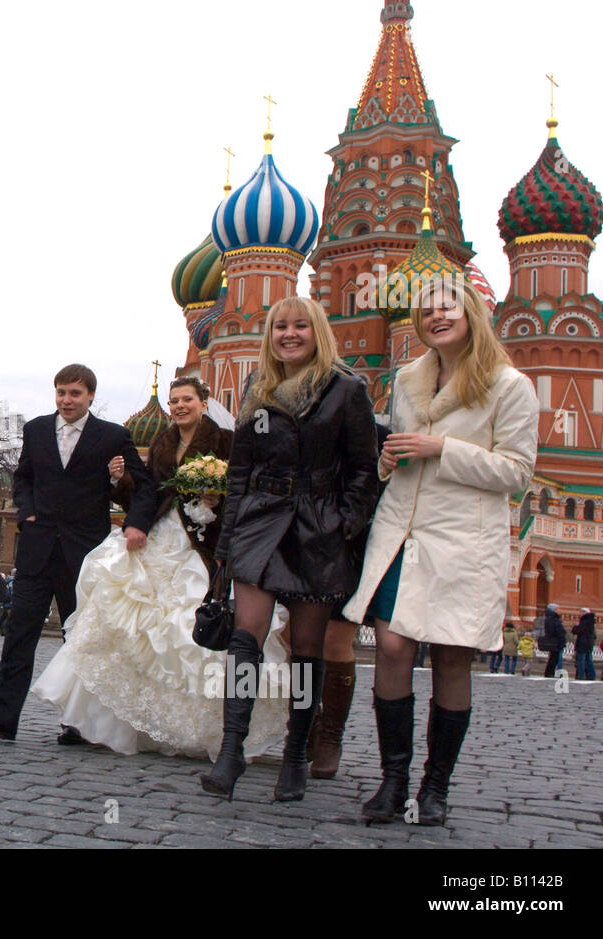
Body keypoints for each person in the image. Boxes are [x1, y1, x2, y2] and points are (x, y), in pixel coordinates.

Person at [343, 279, 537, 826]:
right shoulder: (407, 379)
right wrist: (390, 459)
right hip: (402, 532)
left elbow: (518, 472)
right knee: (392, 645)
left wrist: (441, 448)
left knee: (452, 656)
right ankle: (392, 780)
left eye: (446, 306)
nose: (435, 317)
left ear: (470, 311)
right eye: (425, 311)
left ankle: (435, 787)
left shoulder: (509, 385)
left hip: (463, 540)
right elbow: (400, 454)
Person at [31, 376, 294, 758]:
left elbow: (242, 489)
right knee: (123, 613)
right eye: (174, 401)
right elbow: (149, 491)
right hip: (163, 532)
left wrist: (214, 499)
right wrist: (122, 483)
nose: (179, 406)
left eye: (187, 399)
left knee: (187, 625)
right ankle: (102, 722)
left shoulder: (225, 441)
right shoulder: (163, 442)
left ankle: (197, 729)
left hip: (203, 545)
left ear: (204, 403)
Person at [202, 296, 378, 802]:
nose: (289, 334)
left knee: (306, 651)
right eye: (280, 326)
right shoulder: (259, 389)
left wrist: (346, 522)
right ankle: (231, 750)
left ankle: (297, 753)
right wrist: (228, 539)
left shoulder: (346, 391)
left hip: (317, 526)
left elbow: (363, 468)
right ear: (270, 334)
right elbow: (239, 472)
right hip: (260, 522)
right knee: (245, 640)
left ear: (317, 330)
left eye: (301, 325)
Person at [0, 363, 157, 742]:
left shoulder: (113, 436)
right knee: (19, 634)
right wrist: (27, 509)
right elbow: (24, 477)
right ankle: (2, 718)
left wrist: (136, 523)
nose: (67, 400)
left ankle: (78, 724)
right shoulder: (35, 430)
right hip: (37, 549)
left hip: (84, 555)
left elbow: (143, 486)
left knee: (81, 640)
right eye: (61, 392)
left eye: (75, 394)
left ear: (91, 396)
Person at [307, 421, 391, 780]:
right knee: (296, 640)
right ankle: (307, 723)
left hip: (349, 547)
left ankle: (330, 736)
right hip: (301, 542)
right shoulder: (302, 426)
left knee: (335, 641)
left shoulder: (377, 435)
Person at [542, 603, 567, 678]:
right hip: (555, 641)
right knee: (554, 658)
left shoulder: (552, 618)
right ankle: (549, 673)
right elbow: (556, 630)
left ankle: (550, 672)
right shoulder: (553, 619)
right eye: (558, 609)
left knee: (553, 658)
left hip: (555, 641)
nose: (560, 610)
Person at [573, 608, 597, 681]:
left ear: (584, 613)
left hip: (582, 644)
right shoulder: (591, 622)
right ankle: (591, 675)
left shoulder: (584, 622)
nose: (579, 614)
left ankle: (581, 675)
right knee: (588, 660)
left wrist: (575, 626)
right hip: (588, 644)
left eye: (580, 612)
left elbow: (577, 630)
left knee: (581, 660)